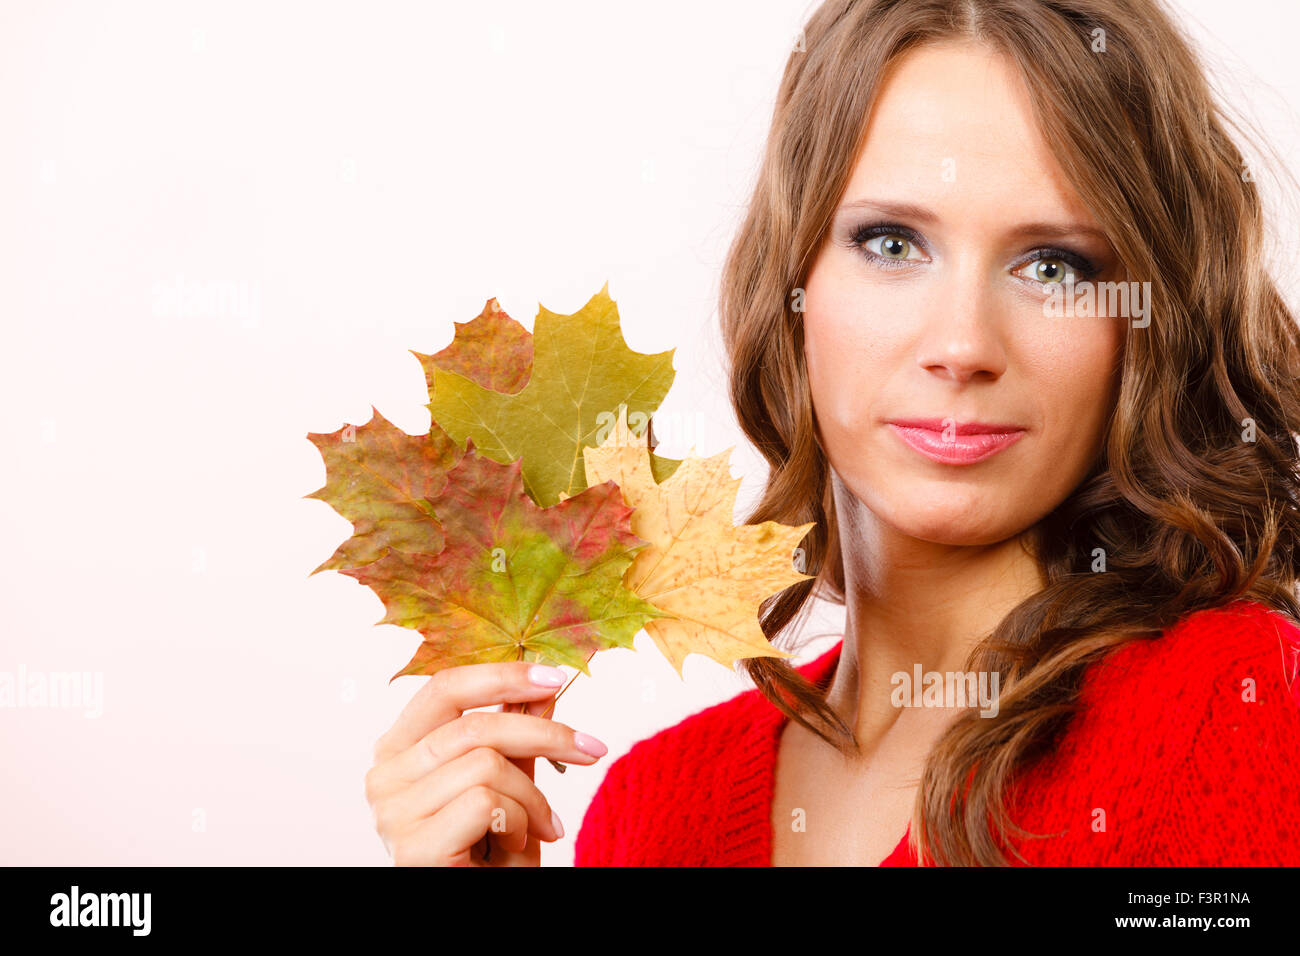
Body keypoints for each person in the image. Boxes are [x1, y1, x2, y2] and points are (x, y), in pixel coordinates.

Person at [364, 0, 1300, 866]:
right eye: (892, 243)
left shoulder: (1235, 712)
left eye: (1053, 264)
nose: (964, 344)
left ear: (1142, 321)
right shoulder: (653, 810)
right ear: (792, 283)